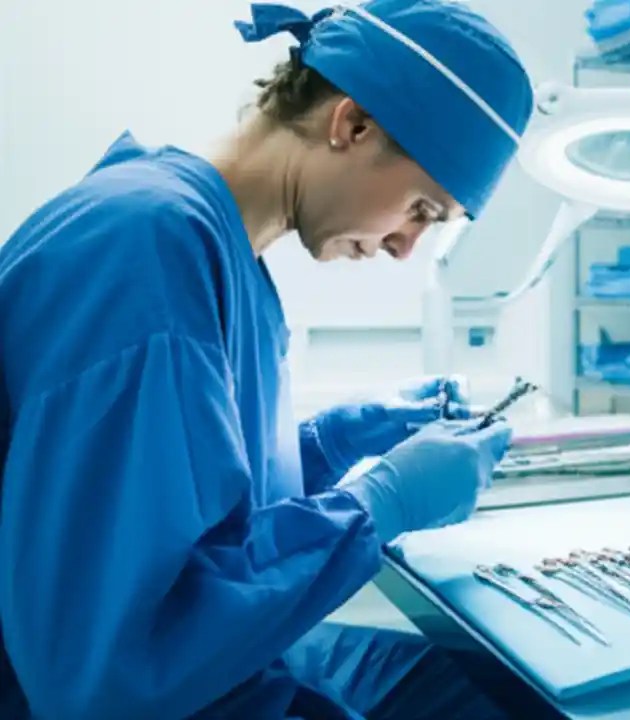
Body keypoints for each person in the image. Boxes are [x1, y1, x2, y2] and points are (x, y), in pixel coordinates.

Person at [0, 1, 534, 717]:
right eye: (421, 210)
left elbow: (182, 511)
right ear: (353, 124)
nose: (407, 247)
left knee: (495, 687)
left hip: (216, 667)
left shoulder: (216, 249)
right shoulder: (146, 252)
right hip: (150, 688)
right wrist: (381, 504)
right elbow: (109, 670)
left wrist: (325, 445)